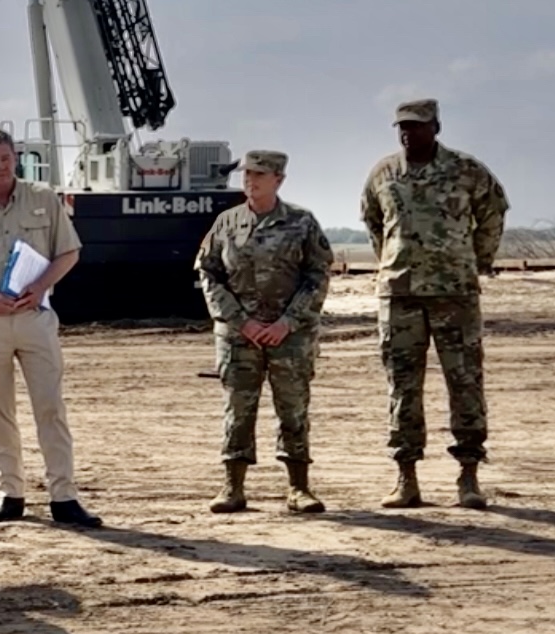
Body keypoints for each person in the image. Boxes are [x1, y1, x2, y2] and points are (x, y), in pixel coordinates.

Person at [0, 126, 101, 527]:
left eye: (5, 159)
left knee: (50, 406)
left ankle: (64, 496)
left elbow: (69, 252)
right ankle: (10, 492)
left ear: (16, 159)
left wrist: (40, 286)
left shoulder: (43, 199)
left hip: (35, 317)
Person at [360, 98, 508, 509]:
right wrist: (391, 261)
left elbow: (494, 211)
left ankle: (469, 475)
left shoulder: (466, 170)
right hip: (400, 296)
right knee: (403, 389)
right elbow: (373, 222)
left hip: (455, 294)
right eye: (403, 127)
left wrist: (477, 260)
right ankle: (406, 477)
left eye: (418, 126)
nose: (409, 133)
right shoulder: (383, 173)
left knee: (464, 383)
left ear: (436, 128)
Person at [194, 150, 334, 514]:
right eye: (246, 173)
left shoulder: (302, 223)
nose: (250, 180)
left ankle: (299, 488)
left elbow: (317, 276)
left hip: (290, 336)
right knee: (238, 410)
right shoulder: (226, 223)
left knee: (293, 409)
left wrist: (287, 322)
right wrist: (243, 322)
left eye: (259, 174)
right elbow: (208, 275)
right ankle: (232, 487)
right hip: (239, 337)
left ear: (279, 180)